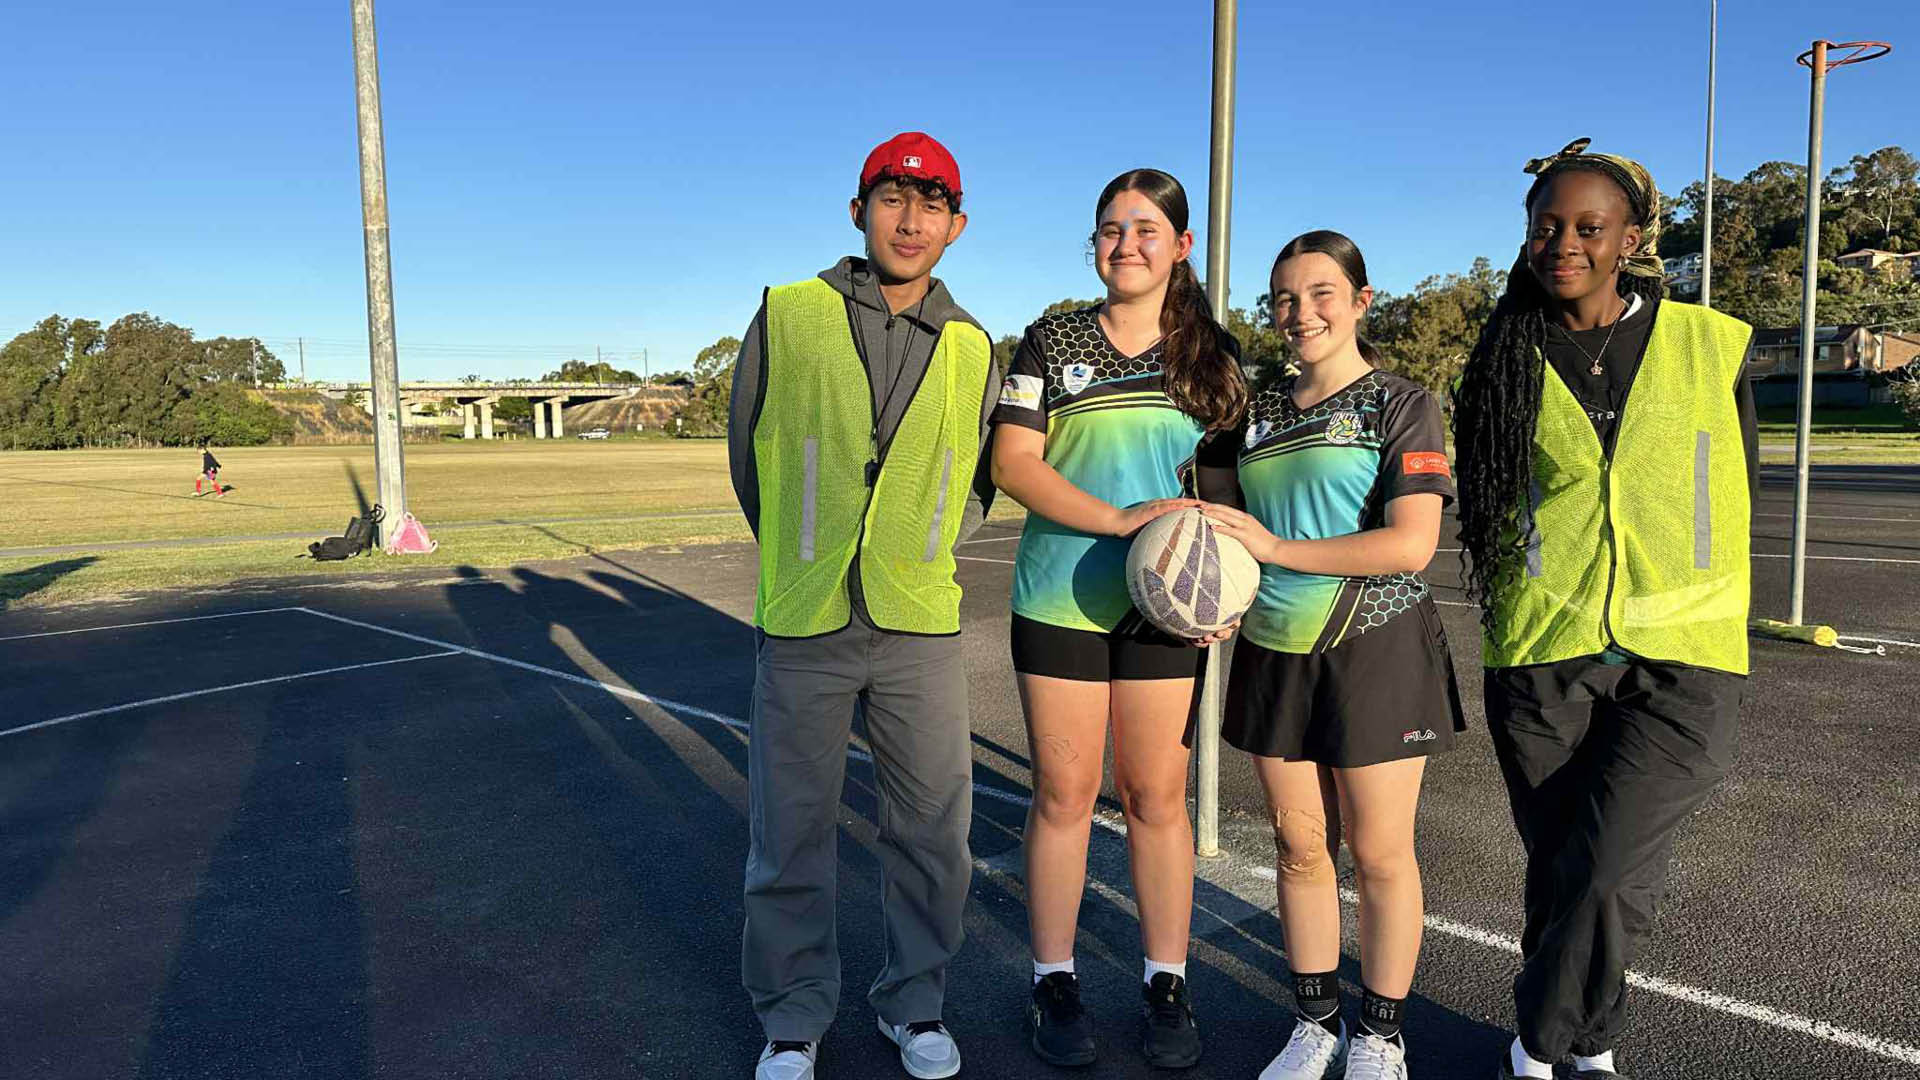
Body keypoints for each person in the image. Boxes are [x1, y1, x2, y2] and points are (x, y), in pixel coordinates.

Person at [1451, 140, 1757, 1080]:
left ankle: (1535, 1045)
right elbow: (1485, 500)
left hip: (1685, 646)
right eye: (1547, 227)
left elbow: (1739, 478)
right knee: (1565, 871)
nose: (1565, 243)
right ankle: (1596, 1043)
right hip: (1544, 649)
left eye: (1590, 227)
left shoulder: (1713, 342)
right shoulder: (1502, 357)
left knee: (1610, 865)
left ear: (1631, 238)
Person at [726, 132, 998, 1080]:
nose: (910, 218)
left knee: (932, 832)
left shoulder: (974, 345)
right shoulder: (789, 311)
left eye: (931, 205)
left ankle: (914, 1004)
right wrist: (809, 551)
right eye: (892, 198)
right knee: (790, 832)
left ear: (956, 226)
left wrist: (913, 551)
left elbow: (972, 481)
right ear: (858, 211)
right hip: (806, 618)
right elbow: (749, 456)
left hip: (917, 618)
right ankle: (793, 1016)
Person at [989, 167, 1246, 1071]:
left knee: (1154, 799)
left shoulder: (1215, 357)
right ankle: (1053, 980)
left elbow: (1224, 494)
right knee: (1062, 796)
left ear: (1180, 245)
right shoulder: (1052, 339)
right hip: (1060, 597)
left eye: (1145, 229)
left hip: (1165, 612)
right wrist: (1116, 521)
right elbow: (1015, 461)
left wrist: (1228, 593)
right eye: (1109, 229)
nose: (1124, 244)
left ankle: (1164, 982)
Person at [1199, 231, 1464, 1080]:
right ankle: (1315, 1024)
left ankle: (1381, 1035)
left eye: (1320, 293)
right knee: (1297, 846)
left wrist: (1274, 550)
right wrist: (1210, 592)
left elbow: (1410, 544)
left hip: (1374, 645)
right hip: (1275, 649)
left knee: (1380, 853)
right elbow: (1220, 532)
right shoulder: (1254, 411)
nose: (1299, 312)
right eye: (1284, 297)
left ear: (1360, 300)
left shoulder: (1401, 401)